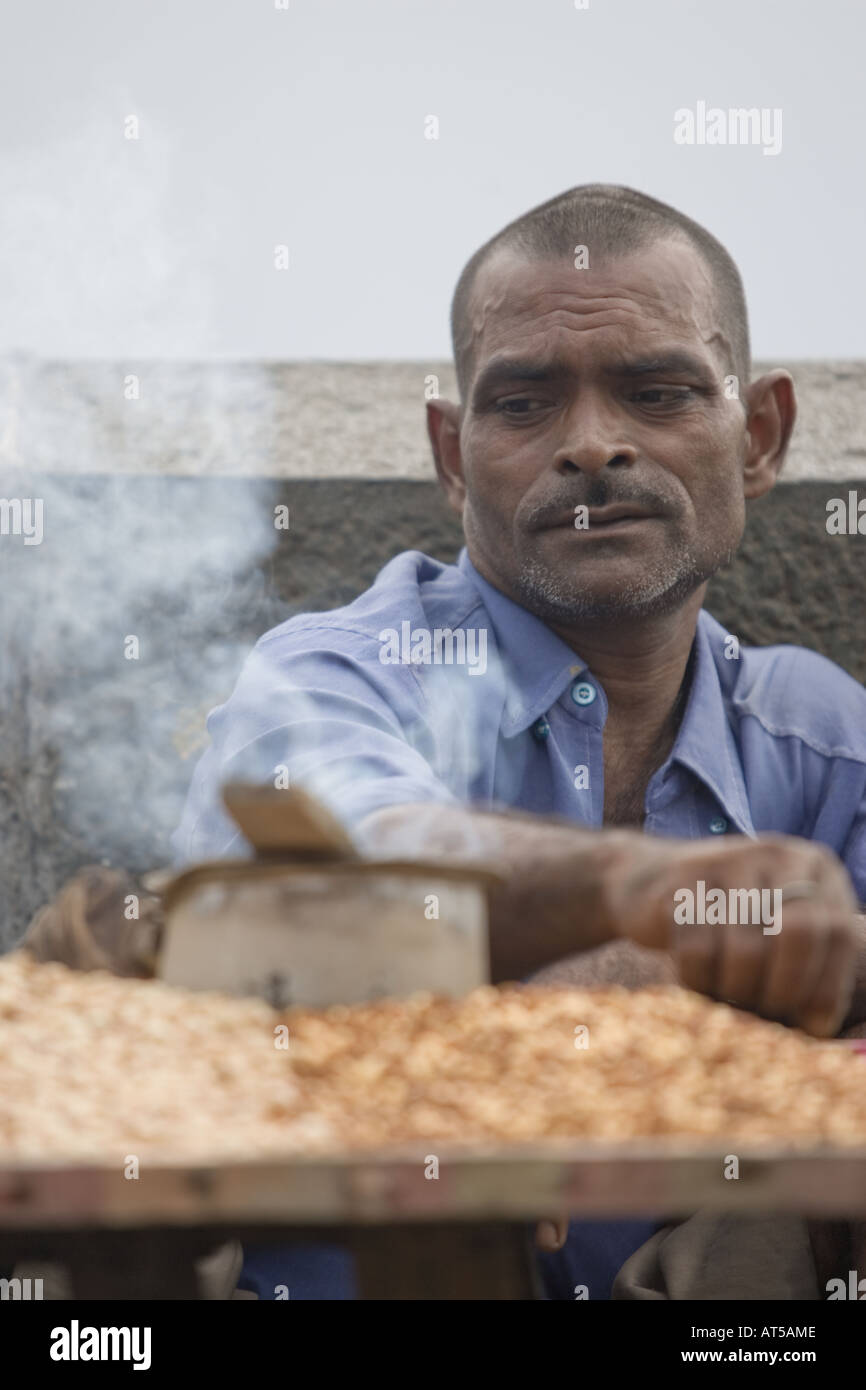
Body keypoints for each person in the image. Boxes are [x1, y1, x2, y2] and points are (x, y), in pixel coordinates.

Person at [173, 184, 866, 1299]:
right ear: (453, 457)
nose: (592, 447)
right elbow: (360, 866)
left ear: (761, 435)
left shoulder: (824, 742)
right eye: (523, 405)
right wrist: (657, 918)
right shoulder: (332, 676)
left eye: (656, 391)